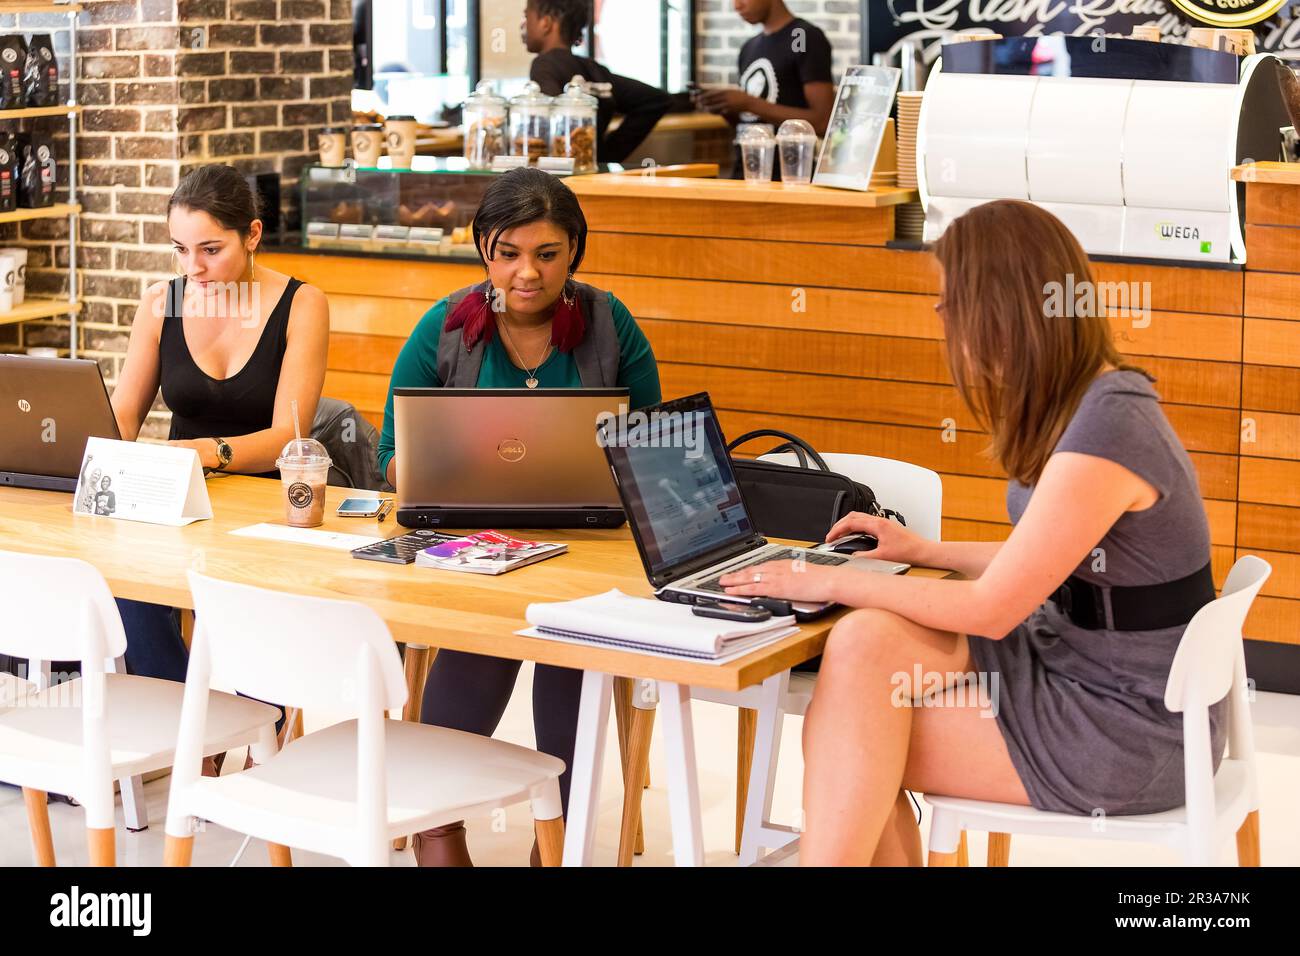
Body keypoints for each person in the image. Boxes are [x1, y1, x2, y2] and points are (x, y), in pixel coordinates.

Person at [720, 199, 1224, 865]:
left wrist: (827, 578)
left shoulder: (1108, 428)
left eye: (950, 301)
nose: (941, 317)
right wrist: (922, 551)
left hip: (1131, 728)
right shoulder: (1093, 402)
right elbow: (1049, 559)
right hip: (1073, 664)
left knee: (854, 740)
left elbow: (992, 609)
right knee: (864, 655)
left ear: (1000, 311)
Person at [377, 166, 661, 866]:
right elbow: (391, 458)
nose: (525, 273)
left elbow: (655, 454)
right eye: (507, 253)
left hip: (588, 553)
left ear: (575, 254)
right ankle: (440, 831)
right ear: (483, 250)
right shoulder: (445, 328)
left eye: (546, 254)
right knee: (481, 633)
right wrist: (436, 475)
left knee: (572, 646)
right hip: (470, 549)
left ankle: (551, 844)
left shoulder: (609, 324)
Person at [109, 164, 330, 684]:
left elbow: (287, 437)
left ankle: (257, 726)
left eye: (211, 249)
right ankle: (189, 723)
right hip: (177, 502)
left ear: (252, 235)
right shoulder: (160, 303)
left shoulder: (302, 304)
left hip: (267, 505)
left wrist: (202, 453)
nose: (195, 268)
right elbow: (123, 415)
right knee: (126, 590)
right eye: (180, 250)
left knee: (249, 618)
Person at [695, 0, 835, 178]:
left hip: (788, 178)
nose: (737, 6)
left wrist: (748, 103)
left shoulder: (804, 37)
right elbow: (750, 122)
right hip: (746, 172)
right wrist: (726, 108)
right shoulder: (749, 48)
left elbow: (823, 121)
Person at [522, 0, 673, 163]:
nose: (523, 25)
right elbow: (657, 100)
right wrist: (606, 156)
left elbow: (548, 123)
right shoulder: (594, 70)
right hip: (592, 173)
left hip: (561, 181)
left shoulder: (543, 65)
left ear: (546, 23)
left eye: (526, 17)